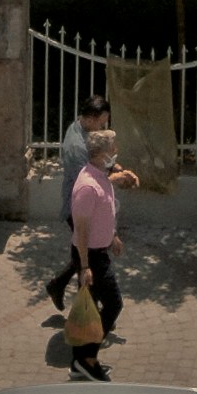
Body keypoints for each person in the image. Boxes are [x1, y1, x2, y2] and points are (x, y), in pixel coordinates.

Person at [47, 109, 137, 371]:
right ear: (101, 154)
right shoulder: (88, 186)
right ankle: (86, 360)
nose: (116, 152)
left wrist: (113, 236)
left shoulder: (100, 177)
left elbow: (104, 214)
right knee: (113, 305)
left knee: (102, 306)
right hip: (93, 257)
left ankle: (82, 357)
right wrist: (85, 266)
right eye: (113, 148)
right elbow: (82, 229)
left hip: (100, 251)